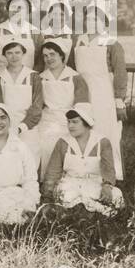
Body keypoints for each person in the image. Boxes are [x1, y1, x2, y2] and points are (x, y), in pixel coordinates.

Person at [69, 1, 127, 180]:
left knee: (104, 131)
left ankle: (109, 174)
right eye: (89, 18)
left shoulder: (112, 43)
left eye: (97, 18)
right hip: (81, 93)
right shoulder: (77, 40)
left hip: (103, 94)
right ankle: (82, 171)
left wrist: (119, 100)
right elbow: (71, 68)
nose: (92, 22)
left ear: (105, 22)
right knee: (81, 129)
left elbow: (120, 73)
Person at [41, 102, 125, 216]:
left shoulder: (102, 142)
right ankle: (81, 213)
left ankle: (91, 215)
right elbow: (53, 171)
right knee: (65, 197)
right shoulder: (63, 142)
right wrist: (47, 196)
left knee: (116, 196)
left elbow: (109, 169)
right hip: (70, 184)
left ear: (87, 123)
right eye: (69, 122)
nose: (70, 126)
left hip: (95, 183)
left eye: (75, 122)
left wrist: (107, 185)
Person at [36, 39, 90, 174]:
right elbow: (38, 104)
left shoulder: (75, 77)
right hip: (47, 119)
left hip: (69, 119)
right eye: (45, 56)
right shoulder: (41, 78)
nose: (49, 58)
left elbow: (82, 104)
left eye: (52, 54)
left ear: (61, 55)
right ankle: (44, 181)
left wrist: (76, 123)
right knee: (41, 143)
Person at [0, 40, 44, 164]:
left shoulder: (33, 76)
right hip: (4, 125)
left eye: (17, 52)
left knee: (29, 158)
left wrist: (22, 126)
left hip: (28, 126)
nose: (14, 56)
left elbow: (37, 106)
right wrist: (5, 126)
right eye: (9, 53)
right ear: (4, 55)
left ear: (24, 54)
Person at [0, 0, 42, 72]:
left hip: (28, 80)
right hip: (2, 79)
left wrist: (33, 77)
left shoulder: (35, 32)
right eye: (13, 7)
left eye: (20, 7)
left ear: (27, 11)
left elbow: (40, 61)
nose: (16, 10)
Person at [37, 0, 74, 71]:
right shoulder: (42, 35)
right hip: (45, 76)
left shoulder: (72, 36)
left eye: (62, 14)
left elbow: (73, 63)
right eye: (54, 14)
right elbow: (38, 62)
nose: (58, 17)